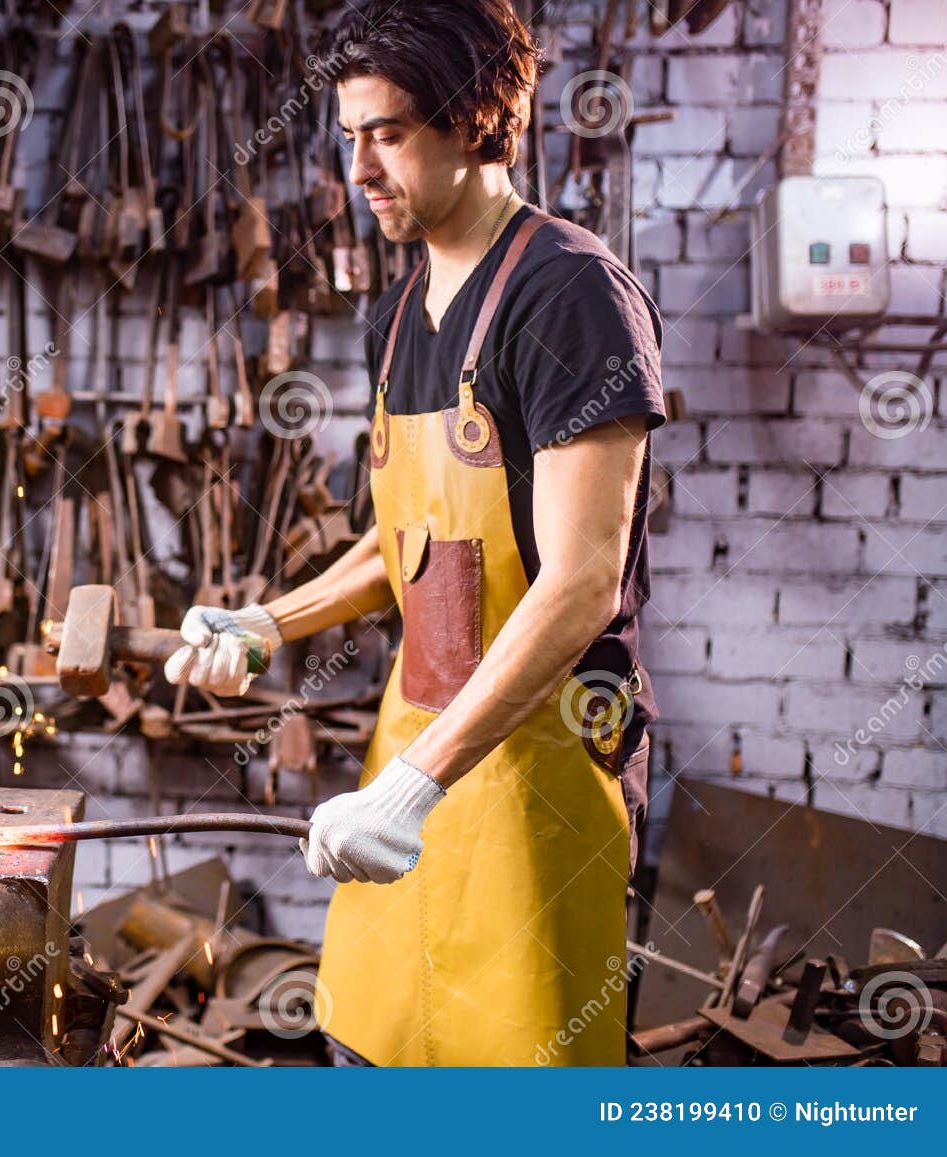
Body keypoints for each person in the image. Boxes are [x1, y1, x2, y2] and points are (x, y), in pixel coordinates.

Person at [165, 0, 665, 1066]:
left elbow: (580, 582)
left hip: (538, 768)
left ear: (477, 119)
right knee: (371, 1045)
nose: (359, 169)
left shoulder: (571, 296)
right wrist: (270, 619)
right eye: (349, 138)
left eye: (386, 133)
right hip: (413, 757)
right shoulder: (399, 312)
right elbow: (408, 540)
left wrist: (412, 786)